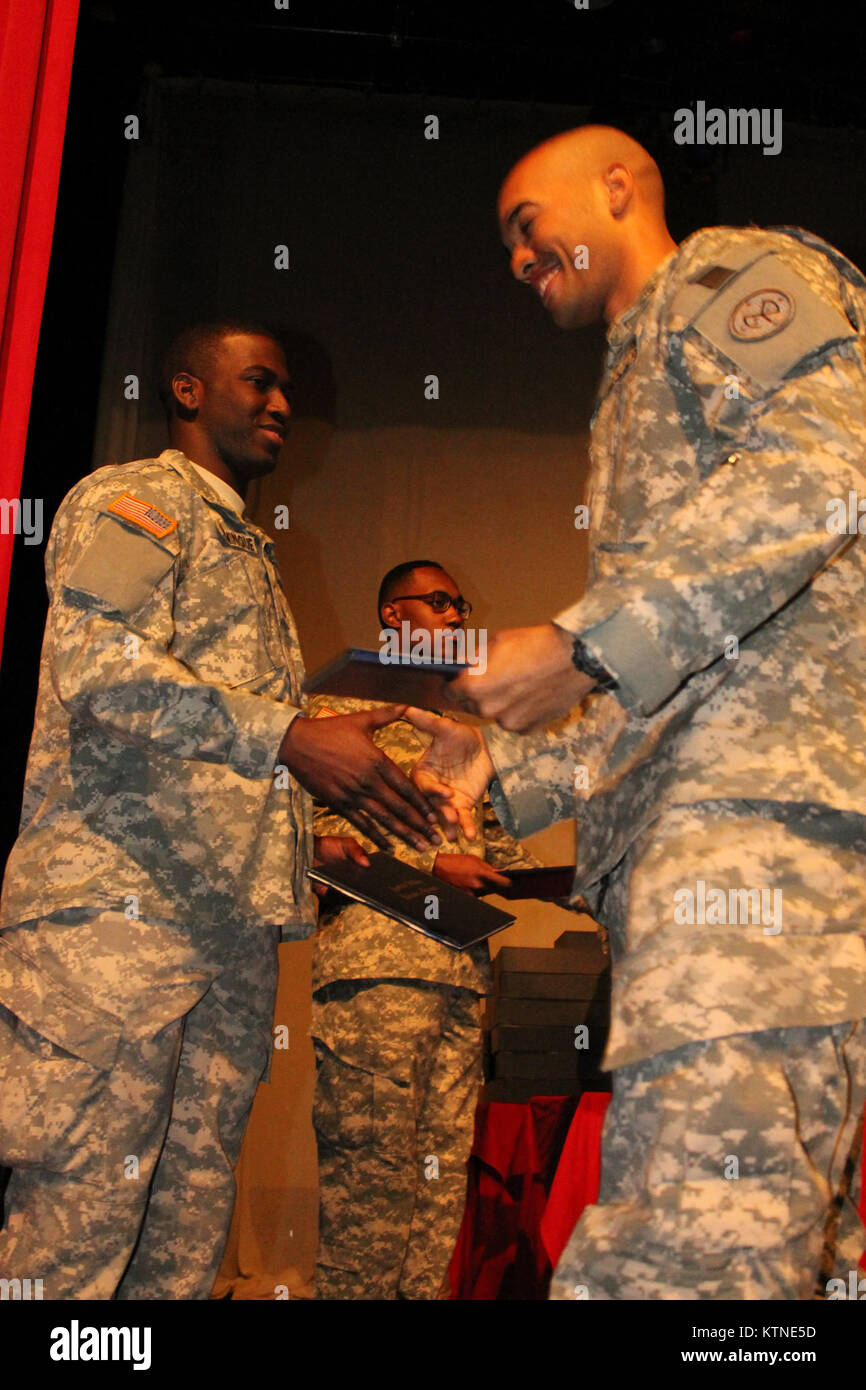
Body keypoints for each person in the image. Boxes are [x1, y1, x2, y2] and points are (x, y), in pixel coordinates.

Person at [405, 126, 866, 1299]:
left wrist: (581, 645)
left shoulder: (722, 278)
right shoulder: (633, 383)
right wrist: (494, 769)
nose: (517, 257)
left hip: (763, 834)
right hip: (721, 827)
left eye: (526, 221)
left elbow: (827, 461)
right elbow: (663, 669)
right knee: (765, 1247)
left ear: (618, 187)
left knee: (692, 1248)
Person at [0, 322, 450, 1301]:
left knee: (182, 1247)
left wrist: (315, 825)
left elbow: (215, 766)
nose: (282, 403)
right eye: (259, 382)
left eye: (287, 386)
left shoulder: (249, 552)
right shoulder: (138, 501)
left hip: (223, 944)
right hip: (112, 931)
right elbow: (99, 670)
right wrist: (290, 735)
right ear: (188, 391)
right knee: (72, 1239)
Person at [308, 561, 543, 1300]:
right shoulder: (334, 709)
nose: (452, 616)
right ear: (391, 615)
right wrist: (434, 870)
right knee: (367, 1196)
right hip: (379, 972)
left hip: (459, 977)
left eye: (459, 605)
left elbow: (487, 843)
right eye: (438, 602)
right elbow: (311, 841)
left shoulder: (464, 730)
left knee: (436, 1195)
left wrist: (550, 880)